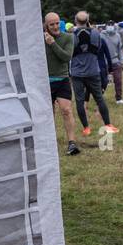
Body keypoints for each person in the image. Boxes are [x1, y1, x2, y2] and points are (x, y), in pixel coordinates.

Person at [68, 11, 117, 136]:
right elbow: (98, 49)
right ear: (88, 20)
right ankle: (108, 125)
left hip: (77, 73)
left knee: (79, 101)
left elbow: (69, 53)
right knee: (99, 99)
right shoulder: (96, 33)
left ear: (75, 21)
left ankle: (86, 128)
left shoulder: (71, 36)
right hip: (93, 71)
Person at [44, 12, 79, 155]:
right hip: (44, 81)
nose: (55, 26)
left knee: (66, 110)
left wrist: (52, 44)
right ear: (46, 25)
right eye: (52, 24)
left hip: (62, 79)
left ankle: (72, 143)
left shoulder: (68, 37)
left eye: (57, 23)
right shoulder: (40, 40)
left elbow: (66, 57)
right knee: (48, 114)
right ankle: (49, 142)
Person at [100, 20, 123, 103]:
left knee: (118, 80)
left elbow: (120, 48)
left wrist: (121, 60)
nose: (110, 26)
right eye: (108, 24)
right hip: (104, 61)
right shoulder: (101, 35)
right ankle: (99, 97)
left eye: (111, 24)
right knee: (103, 81)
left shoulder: (117, 35)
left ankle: (119, 98)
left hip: (115, 61)